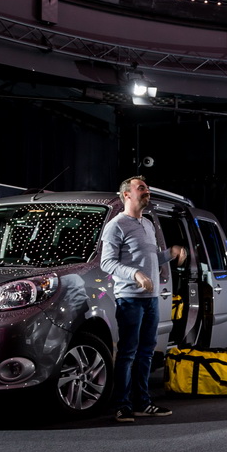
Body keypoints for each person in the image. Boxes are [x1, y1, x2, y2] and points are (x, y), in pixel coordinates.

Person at [100, 176, 187, 423]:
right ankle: (122, 405)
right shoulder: (116, 225)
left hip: (150, 299)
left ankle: (142, 403)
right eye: (142, 188)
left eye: (146, 188)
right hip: (129, 299)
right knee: (127, 353)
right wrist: (134, 273)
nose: (147, 191)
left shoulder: (147, 224)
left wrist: (169, 254)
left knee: (146, 353)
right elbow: (107, 262)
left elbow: (149, 259)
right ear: (127, 195)